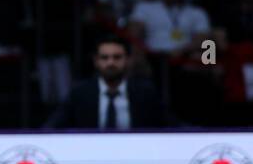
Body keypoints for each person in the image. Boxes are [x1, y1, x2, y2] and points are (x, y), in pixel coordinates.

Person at [45, 36, 174, 128]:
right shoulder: (80, 94)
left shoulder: (145, 93)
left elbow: (173, 126)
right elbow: (51, 128)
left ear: (128, 60)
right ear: (96, 61)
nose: (110, 62)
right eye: (104, 58)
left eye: (117, 57)